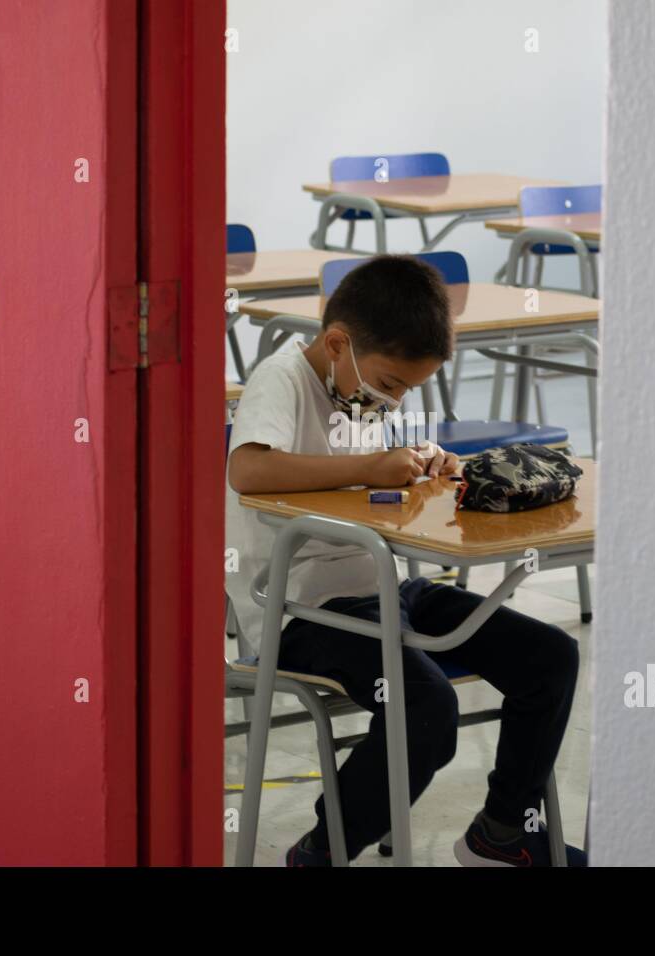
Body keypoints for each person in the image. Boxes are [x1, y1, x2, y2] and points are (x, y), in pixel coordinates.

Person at [225, 255, 584, 866]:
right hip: (300, 609)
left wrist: (424, 465)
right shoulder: (282, 378)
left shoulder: (357, 390)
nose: (393, 399)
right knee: (426, 707)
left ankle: (500, 834)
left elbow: (359, 485)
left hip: (384, 593)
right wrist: (372, 466)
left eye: (406, 391)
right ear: (336, 344)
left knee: (550, 657)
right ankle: (323, 850)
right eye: (390, 384)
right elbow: (248, 469)